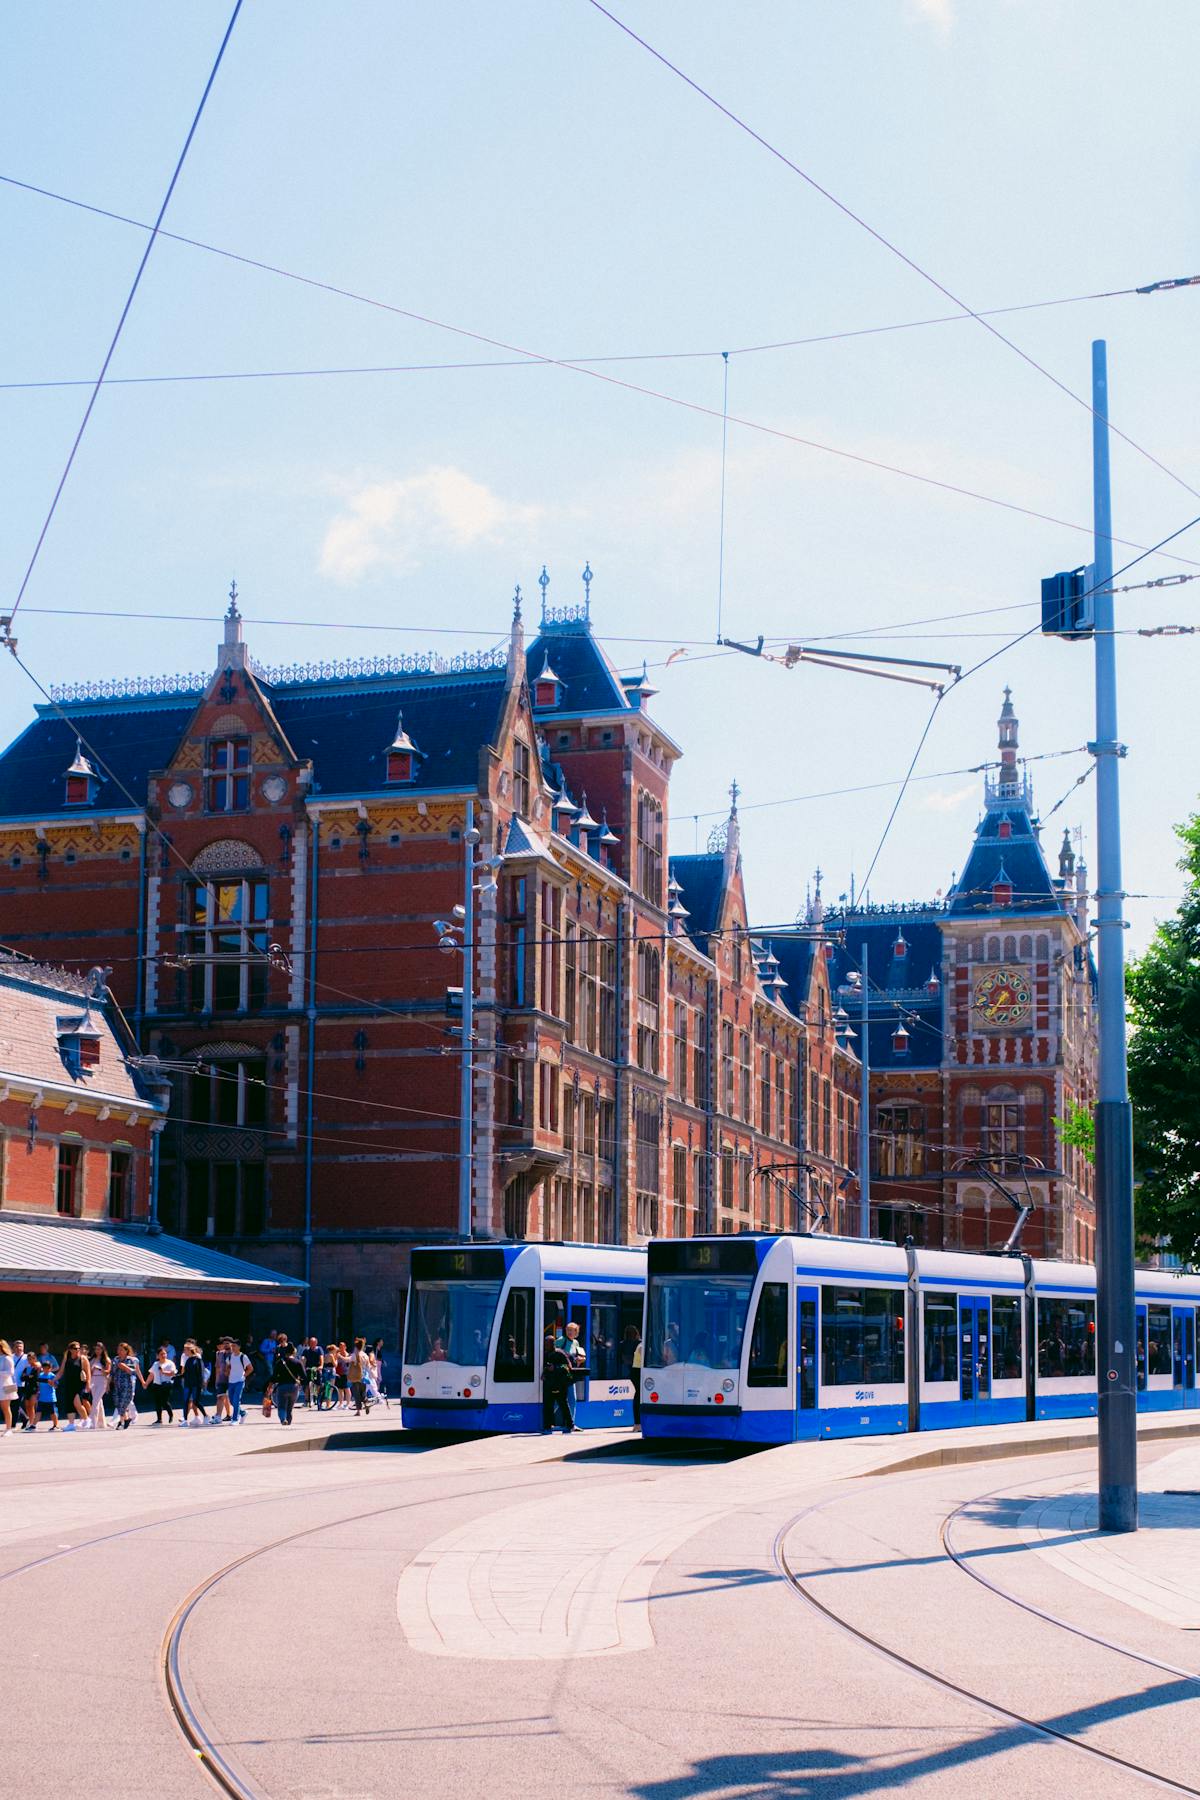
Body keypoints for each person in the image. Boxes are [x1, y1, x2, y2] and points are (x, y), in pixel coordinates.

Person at [542, 1329, 575, 1433]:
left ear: (553, 1344)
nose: (546, 1346)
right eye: (545, 1344)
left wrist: (555, 1368)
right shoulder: (546, 1354)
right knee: (548, 1405)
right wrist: (545, 1373)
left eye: (548, 1344)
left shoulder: (560, 1353)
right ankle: (548, 1426)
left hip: (560, 1384)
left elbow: (568, 1367)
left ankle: (570, 1425)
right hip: (550, 1383)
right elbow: (546, 1367)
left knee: (563, 1404)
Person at [271, 1335, 305, 1425]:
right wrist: (300, 1382)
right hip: (294, 1387)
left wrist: (271, 1384)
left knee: (281, 1406)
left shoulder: (279, 1362)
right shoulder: (298, 1362)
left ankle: (283, 1419)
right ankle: (288, 1422)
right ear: (293, 1352)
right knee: (290, 1407)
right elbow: (304, 1376)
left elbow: (274, 1377)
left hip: (282, 1386)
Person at [58, 1341, 91, 1429]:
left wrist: (88, 1384)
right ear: (70, 1350)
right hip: (69, 1384)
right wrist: (54, 1379)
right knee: (69, 1404)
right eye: (75, 1348)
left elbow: (88, 1373)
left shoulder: (83, 1358)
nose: (77, 1350)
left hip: (79, 1385)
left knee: (77, 1403)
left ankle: (87, 1419)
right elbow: (61, 1371)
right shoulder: (67, 1358)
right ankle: (71, 1424)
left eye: (78, 1348)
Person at [562, 1319, 587, 1427]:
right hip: (561, 1374)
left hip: (571, 1374)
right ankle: (548, 1421)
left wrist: (581, 1360)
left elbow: (580, 1356)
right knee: (560, 1399)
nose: (570, 1332)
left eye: (572, 1330)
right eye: (568, 1330)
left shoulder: (576, 1343)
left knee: (572, 1398)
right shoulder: (561, 1340)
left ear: (576, 1332)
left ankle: (571, 1423)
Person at [111, 1344, 141, 1429]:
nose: (119, 1352)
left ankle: (121, 1422)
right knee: (117, 1403)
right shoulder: (116, 1359)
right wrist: (108, 1384)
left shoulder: (130, 1360)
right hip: (117, 1385)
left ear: (126, 1351)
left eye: (121, 1350)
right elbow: (112, 1372)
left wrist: (125, 1367)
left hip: (126, 1385)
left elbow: (133, 1372)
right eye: (118, 1350)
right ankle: (126, 1419)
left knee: (122, 1403)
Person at [147, 1345, 177, 1424]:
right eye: (161, 1354)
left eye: (165, 1354)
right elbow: (151, 1374)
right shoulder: (155, 1364)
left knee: (164, 1402)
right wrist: (146, 1383)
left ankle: (170, 1414)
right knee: (157, 1402)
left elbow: (173, 1373)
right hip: (156, 1385)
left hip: (166, 1385)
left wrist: (163, 1372)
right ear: (157, 1356)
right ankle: (159, 1419)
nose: (163, 1355)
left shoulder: (170, 1363)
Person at [181, 1341, 209, 1424]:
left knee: (196, 1401)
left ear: (189, 1350)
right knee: (186, 1401)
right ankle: (185, 1420)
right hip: (188, 1383)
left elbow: (200, 1373)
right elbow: (185, 1373)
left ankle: (206, 1416)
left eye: (185, 1350)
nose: (184, 1351)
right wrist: (175, 1376)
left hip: (196, 1384)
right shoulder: (188, 1360)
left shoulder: (197, 1360)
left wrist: (202, 1384)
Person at [226, 1339, 252, 1423]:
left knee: (236, 1399)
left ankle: (235, 1419)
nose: (232, 1348)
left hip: (240, 1381)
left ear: (239, 1347)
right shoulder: (229, 1357)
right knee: (231, 1400)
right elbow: (228, 1367)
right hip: (231, 1381)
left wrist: (243, 1376)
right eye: (232, 1346)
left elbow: (250, 1368)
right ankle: (243, 1413)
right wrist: (227, 1371)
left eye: (234, 1346)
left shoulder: (243, 1356)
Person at [89, 1343, 111, 1430]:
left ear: (103, 1350)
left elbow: (108, 1371)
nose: (97, 1351)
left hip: (102, 1380)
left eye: (99, 1349)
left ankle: (92, 1422)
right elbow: (88, 1371)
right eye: (96, 1349)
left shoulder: (106, 1359)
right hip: (93, 1380)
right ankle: (101, 1423)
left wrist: (99, 1369)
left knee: (95, 1401)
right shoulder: (92, 1359)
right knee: (98, 1402)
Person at [347, 1337, 371, 1415]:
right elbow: (368, 1366)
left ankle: (358, 1411)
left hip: (356, 1376)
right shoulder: (365, 1355)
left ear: (356, 1347)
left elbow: (347, 1359)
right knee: (363, 1393)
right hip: (364, 1377)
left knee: (356, 1393)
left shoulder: (355, 1355)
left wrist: (340, 1356)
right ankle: (366, 1403)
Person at [36, 1349, 59, 1430]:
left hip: (50, 1398)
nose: (46, 1369)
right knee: (38, 1412)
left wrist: (52, 1383)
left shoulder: (52, 1376)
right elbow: (38, 1385)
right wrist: (38, 1393)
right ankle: (33, 1425)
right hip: (42, 1398)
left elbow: (56, 1386)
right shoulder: (40, 1375)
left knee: (52, 1413)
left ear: (50, 1368)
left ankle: (55, 1426)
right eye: (44, 1368)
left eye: (47, 1368)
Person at [20, 1354, 41, 1430]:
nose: (29, 1360)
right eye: (28, 1359)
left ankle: (32, 1424)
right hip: (27, 1389)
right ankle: (30, 1422)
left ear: (34, 1359)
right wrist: (28, 1376)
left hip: (34, 1389)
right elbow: (22, 1378)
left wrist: (28, 1376)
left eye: (31, 1359)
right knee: (27, 1406)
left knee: (32, 1406)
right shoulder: (27, 1368)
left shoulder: (38, 1367)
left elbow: (35, 1377)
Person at [0, 1339, 16, 1435]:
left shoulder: (7, 1358)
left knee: (6, 1408)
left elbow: (11, 1372)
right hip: (1, 1385)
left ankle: (8, 1429)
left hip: (7, 1385)